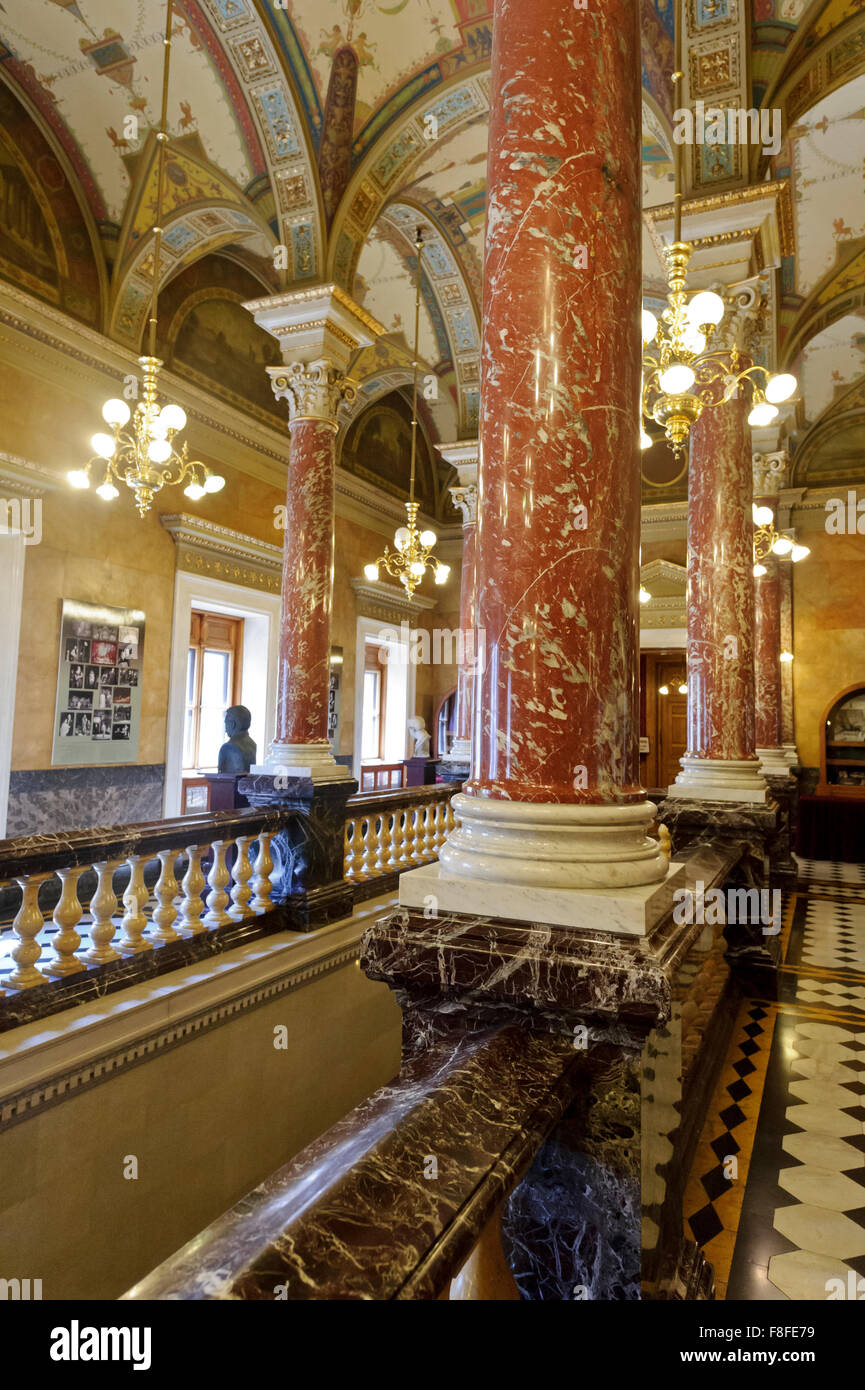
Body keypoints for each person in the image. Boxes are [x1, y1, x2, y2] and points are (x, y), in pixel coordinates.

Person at [217, 705, 257, 773]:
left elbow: (222, 778)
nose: (225, 730)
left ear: (232, 724)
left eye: (226, 723)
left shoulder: (228, 747)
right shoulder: (252, 744)